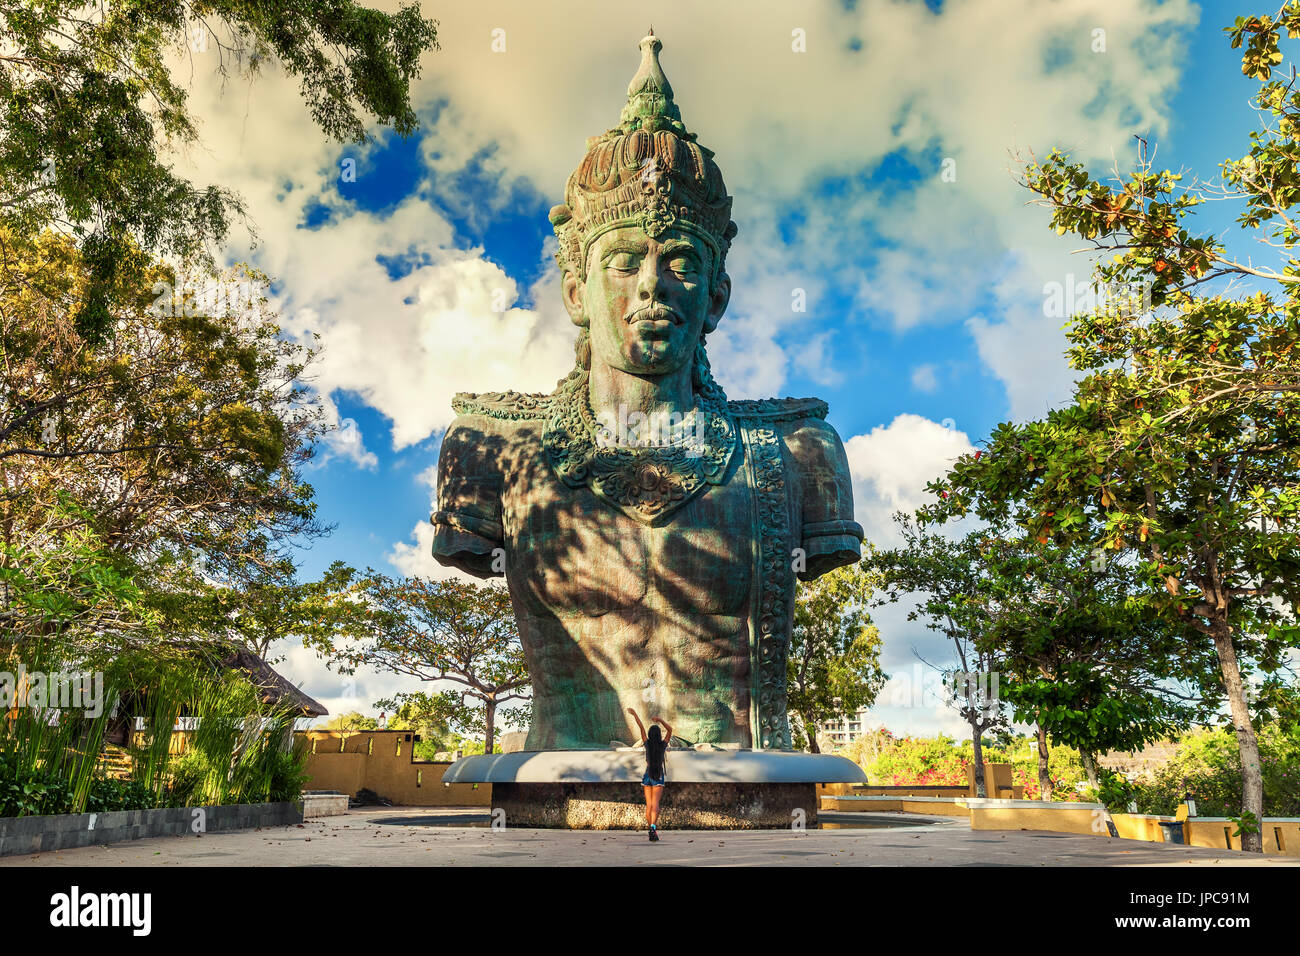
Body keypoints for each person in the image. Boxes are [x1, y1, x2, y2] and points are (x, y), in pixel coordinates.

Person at [628, 708, 672, 841]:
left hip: (647, 775)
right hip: (658, 775)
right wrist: (660, 720)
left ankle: (651, 829)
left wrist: (635, 714)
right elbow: (670, 730)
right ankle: (653, 827)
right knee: (655, 805)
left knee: (649, 806)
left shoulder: (647, 744)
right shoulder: (663, 745)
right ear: (659, 735)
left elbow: (640, 727)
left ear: (649, 735)